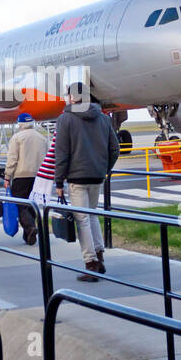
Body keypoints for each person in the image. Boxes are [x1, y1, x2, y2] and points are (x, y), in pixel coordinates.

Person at [53, 82, 120, 281]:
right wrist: (104, 169)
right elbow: (114, 149)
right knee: (92, 216)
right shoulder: (103, 118)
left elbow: (61, 153)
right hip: (97, 176)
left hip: (77, 177)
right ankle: (99, 256)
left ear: (73, 98)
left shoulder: (65, 119)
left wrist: (58, 182)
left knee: (82, 220)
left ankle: (91, 263)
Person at [4, 113, 48, 245]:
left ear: (20, 124)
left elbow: (12, 159)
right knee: (32, 204)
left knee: (20, 204)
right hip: (38, 175)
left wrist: (7, 176)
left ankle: (30, 227)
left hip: (21, 175)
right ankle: (28, 236)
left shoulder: (17, 137)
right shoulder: (42, 138)